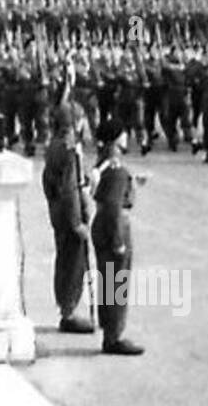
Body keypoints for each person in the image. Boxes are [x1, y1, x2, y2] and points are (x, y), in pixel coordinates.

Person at [91, 119, 143, 355]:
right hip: (114, 225)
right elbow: (114, 205)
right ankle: (113, 335)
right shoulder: (117, 169)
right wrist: (118, 240)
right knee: (116, 281)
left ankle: (109, 331)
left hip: (101, 222)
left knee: (108, 280)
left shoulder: (104, 163)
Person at [42, 104, 95, 334]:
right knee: (74, 265)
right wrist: (77, 224)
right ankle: (69, 311)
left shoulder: (53, 146)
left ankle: (65, 307)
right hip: (68, 214)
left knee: (64, 260)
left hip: (57, 211)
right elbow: (71, 189)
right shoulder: (70, 150)